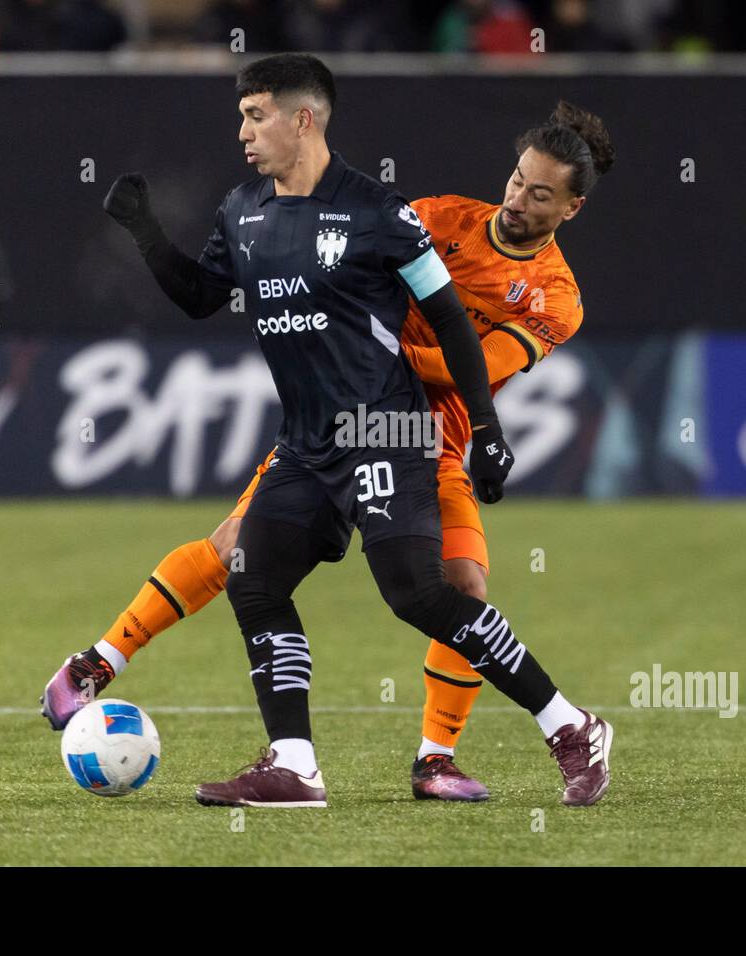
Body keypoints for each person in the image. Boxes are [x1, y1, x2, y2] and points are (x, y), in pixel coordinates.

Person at [54, 53, 611, 808]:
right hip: (315, 431)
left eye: (256, 116)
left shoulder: (518, 277)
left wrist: (480, 425)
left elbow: (459, 340)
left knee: (433, 592)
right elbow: (204, 294)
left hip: (401, 427)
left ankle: (540, 732)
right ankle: (290, 762)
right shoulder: (304, 212)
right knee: (246, 564)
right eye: (517, 179)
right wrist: (147, 231)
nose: (517, 199)